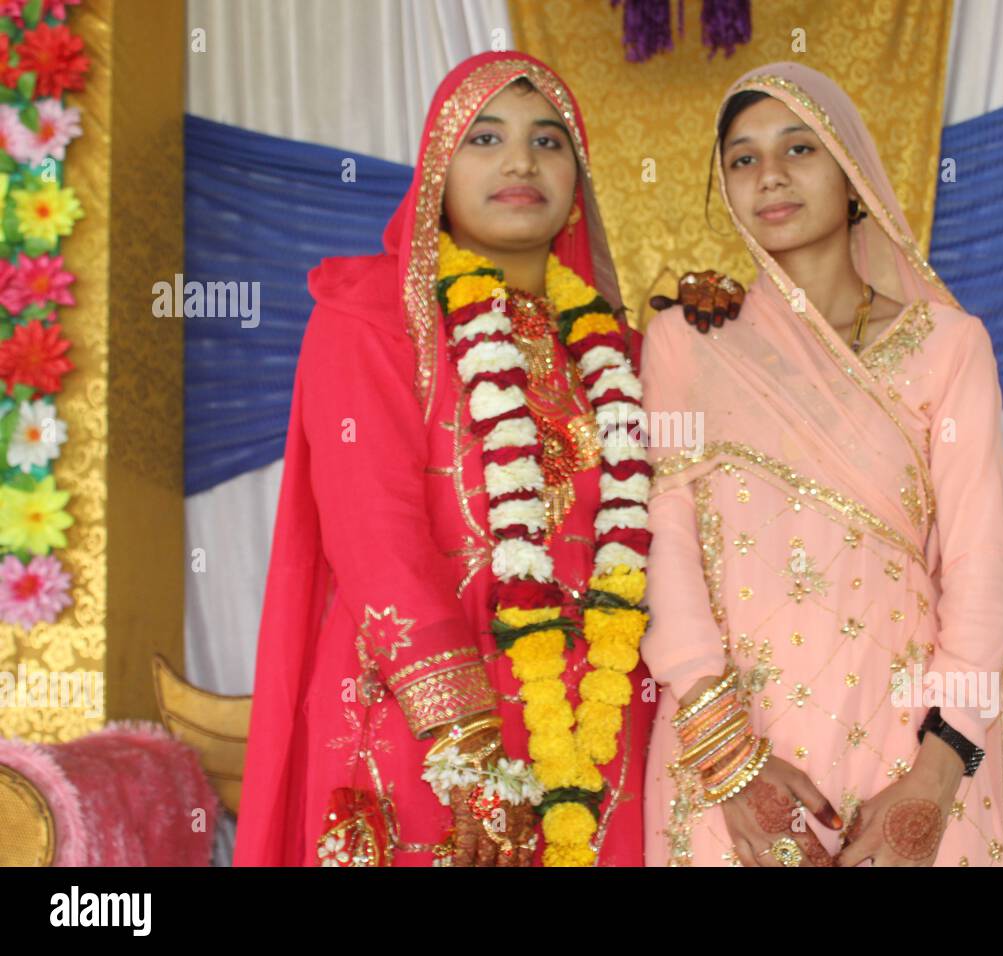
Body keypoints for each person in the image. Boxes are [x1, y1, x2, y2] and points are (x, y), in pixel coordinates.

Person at [234, 50, 740, 867]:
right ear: (437, 168)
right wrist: (465, 740)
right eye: (485, 138)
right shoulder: (370, 319)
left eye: (548, 141)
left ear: (577, 180)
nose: (518, 161)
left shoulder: (623, 355)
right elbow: (374, 535)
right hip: (423, 724)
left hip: (599, 728)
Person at [640, 62, 1003, 868]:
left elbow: (980, 564)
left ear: (851, 175)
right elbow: (664, 543)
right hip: (729, 743)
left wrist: (939, 772)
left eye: (799, 148)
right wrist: (727, 760)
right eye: (742, 158)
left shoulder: (950, 347)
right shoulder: (687, 341)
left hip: (911, 742)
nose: (769, 175)